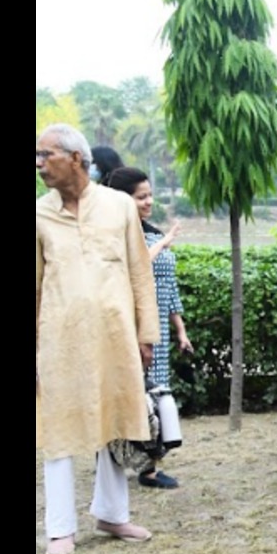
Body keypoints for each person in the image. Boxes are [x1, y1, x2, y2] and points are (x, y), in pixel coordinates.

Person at [37, 123, 159, 554]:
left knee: (116, 422)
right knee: (58, 428)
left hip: (114, 336)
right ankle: (60, 530)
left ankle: (111, 513)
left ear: (75, 158)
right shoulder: (39, 213)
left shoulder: (119, 207)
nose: (38, 164)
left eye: (45, 155)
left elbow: (139, 273)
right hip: (58, 340)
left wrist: (147, 334)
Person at [104, 166, 193, 489]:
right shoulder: (117, 237)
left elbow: (168, 288)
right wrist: (166, 241)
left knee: (156, 399)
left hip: (155, 331)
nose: (148, 202)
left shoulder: (151, 234)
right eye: (141, 197)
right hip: (128, 327)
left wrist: (180, 330)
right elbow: (136, 266)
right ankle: (128, 462)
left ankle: (149, 465)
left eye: (150, 195)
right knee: (130, 398)